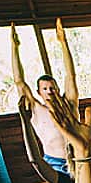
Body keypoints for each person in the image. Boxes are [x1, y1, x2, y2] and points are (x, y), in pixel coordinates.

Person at [11, 18, 79, 173]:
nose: (50, 91)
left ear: (58, 89)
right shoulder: (36, 109)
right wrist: (14, 47)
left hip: (77, 157)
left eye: (52, 88)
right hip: (54, 162)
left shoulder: (70, 104)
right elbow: (19, 81)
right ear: (39, 93)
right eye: (45, 89)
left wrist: (63, 42)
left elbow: (71, 76)